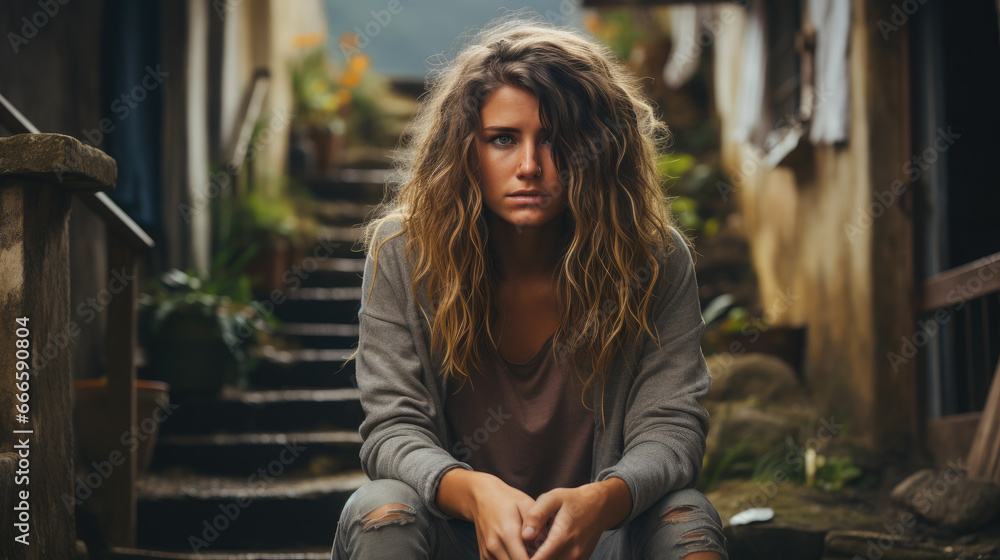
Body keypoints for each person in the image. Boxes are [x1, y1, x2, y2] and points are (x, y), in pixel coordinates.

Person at [331, 14, 728, 560]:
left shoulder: (653, 261)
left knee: (687, 517)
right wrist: (475, 494)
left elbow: (671, 428)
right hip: (458, 540)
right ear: (465, 149)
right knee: (382, 507)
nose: (529, 166)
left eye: (556, 140)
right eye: (502, 139)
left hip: (599, 541)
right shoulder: (405, 254)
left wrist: (602, 501)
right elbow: (393, 429)